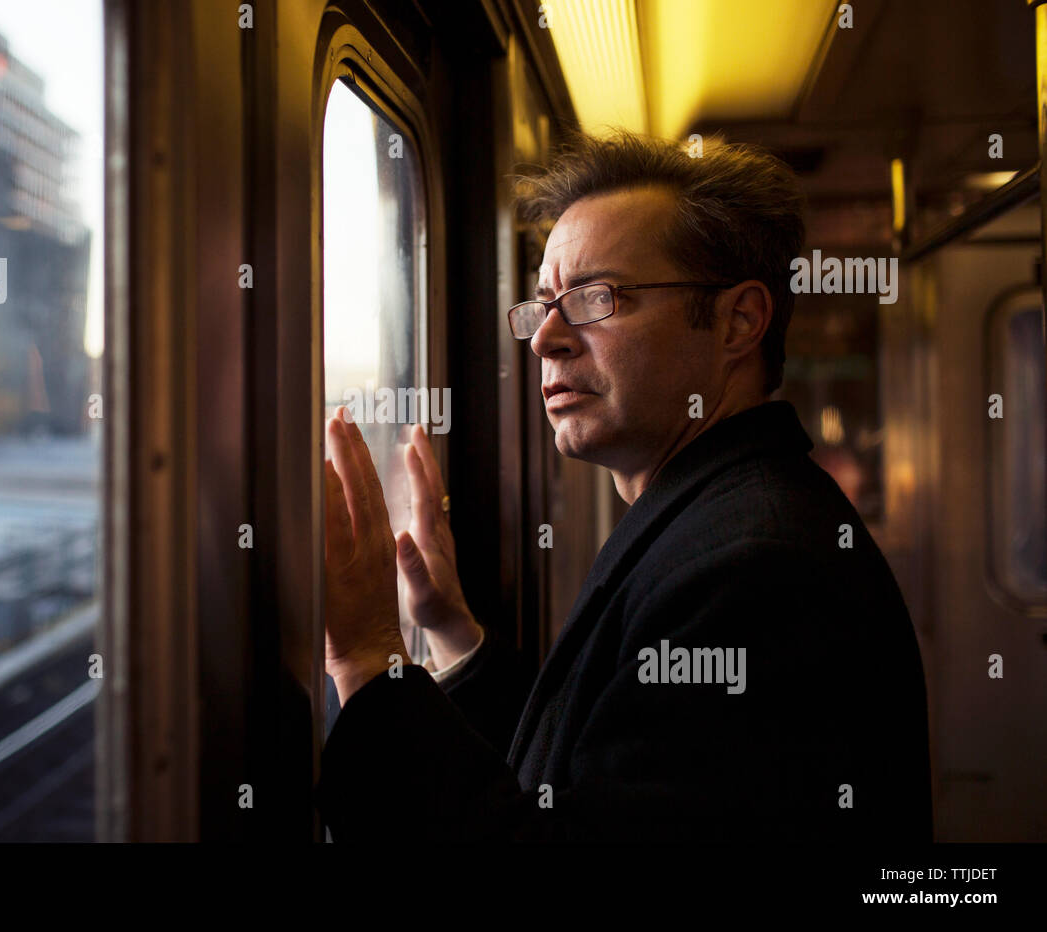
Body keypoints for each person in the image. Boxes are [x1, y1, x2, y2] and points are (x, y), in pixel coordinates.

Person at [317, 129, 933, 842]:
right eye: (544, 304)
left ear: (739, 321)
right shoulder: (708, 516)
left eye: (597, 297)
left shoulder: (756, 571)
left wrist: (367, 654)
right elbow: (583, 781)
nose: (546, 338)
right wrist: (454, 634)